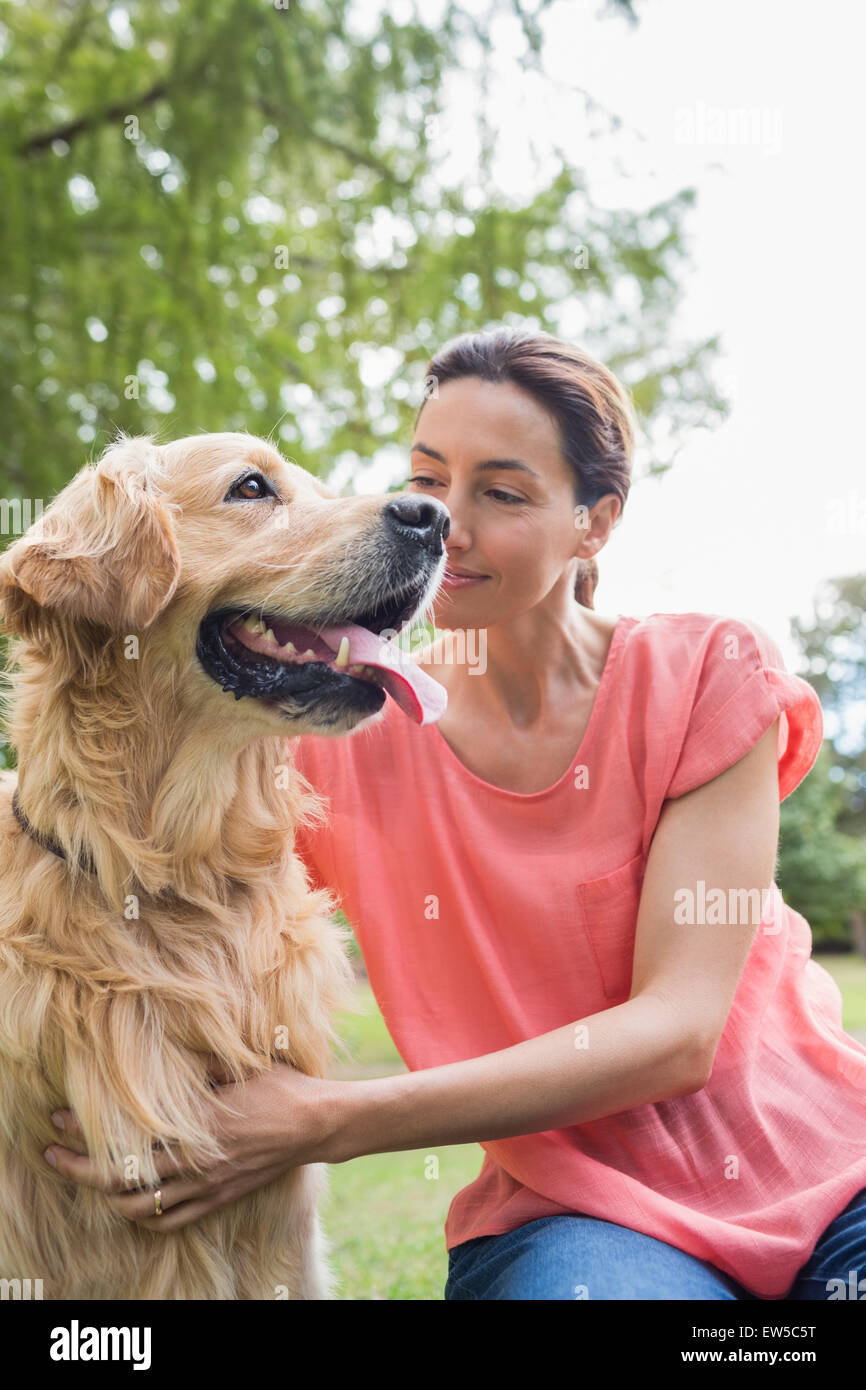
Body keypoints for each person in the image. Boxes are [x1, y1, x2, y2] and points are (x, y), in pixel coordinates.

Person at [47, 327, 866, 1300]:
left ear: (592, 523)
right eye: (429, 476)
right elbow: (129, 848)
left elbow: (677, 1030)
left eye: (502, 492)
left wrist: (326, 1118)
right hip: (581, 1224)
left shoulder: (702, 673)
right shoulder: (334, 726)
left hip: (834, 1177)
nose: (446, 522)